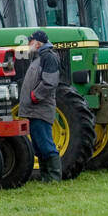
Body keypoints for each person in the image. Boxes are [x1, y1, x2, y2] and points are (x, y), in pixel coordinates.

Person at [20, 29, 61, 181]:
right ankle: (46, 178)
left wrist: (35, 96)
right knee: (39, 146)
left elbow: (50, 82)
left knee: (45, 145)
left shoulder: (48, 57)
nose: (28, 45)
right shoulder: (39, 57)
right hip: (34, 110)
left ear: (38, 43)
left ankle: (54, 178)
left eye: (30, 42)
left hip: (40, 109)